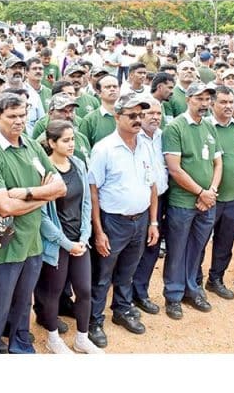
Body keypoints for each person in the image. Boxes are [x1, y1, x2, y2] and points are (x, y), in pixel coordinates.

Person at [0, 92, 66, 353]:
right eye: (12, 116)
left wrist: (26, 193)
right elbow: (4, 207)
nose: (19, 121)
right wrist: (42, 196)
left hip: (32, 242)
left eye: (23, 115)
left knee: (23, 302)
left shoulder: (32, 146)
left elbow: (59, 187)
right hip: (4, 246)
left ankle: (20, 347)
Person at [87, 94, 158, 346]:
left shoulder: (145, 146)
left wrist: (153, 222)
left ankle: (121, 310)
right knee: (102, 274)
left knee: (128, 271)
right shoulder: (104, 148)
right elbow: (93, 191)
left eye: (141, 115)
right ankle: (94, 320)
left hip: (140, 221)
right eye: (132, 115)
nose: (138, 120)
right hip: (112, 222)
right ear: (117, 117)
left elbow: (152, 185)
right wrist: (98, 231)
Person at [34, 120, 103, 354]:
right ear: (52, 143)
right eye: (65, 140)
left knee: (84, 290)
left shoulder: (79, 164)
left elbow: (85, 202)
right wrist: (66, 243)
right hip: (57, 243)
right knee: (53, 293)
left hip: (79, 240)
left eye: (73, 139)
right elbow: (43, 217)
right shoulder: (44, 171)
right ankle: (53, 338)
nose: (71, 144)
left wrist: (84, 236)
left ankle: (82, 338)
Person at [162, 82, 222, 318]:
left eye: (208, 99)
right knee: (177, 250)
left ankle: (191, 289)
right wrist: (200, 193)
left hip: (207, 202)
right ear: (188, 99)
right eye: (199, 98)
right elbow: (175, 170)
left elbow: (218, 163)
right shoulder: (175, 128)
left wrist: (211, 192)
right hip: (183, 202)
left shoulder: (209, 127)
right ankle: (173, 295)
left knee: (197, 249)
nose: (204, 103)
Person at [197, 85, 234, 300]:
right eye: (223, 102)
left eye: (231, 102)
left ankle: (215, 279)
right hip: (209, 198)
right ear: (212, 104)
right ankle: (195, 281)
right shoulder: (204, 126)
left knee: (225, 243)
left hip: (233, 198)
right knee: (200, 242)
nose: (228, 106)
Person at [130, 96, 169, 314]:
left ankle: (140, 292)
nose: (155, 117)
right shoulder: (135, 138)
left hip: (161, 199)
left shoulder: (164, 136)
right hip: (140, 202)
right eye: (150, 113)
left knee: (153, 247)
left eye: (158, 113)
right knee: (135, 250)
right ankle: (127, 294)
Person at [79, 74, 119, 147]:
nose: (112, 89)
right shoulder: (89, 120)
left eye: (115, 86)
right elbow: (84, 148)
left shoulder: (128, 115)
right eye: (108, 87)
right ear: (98, 92)